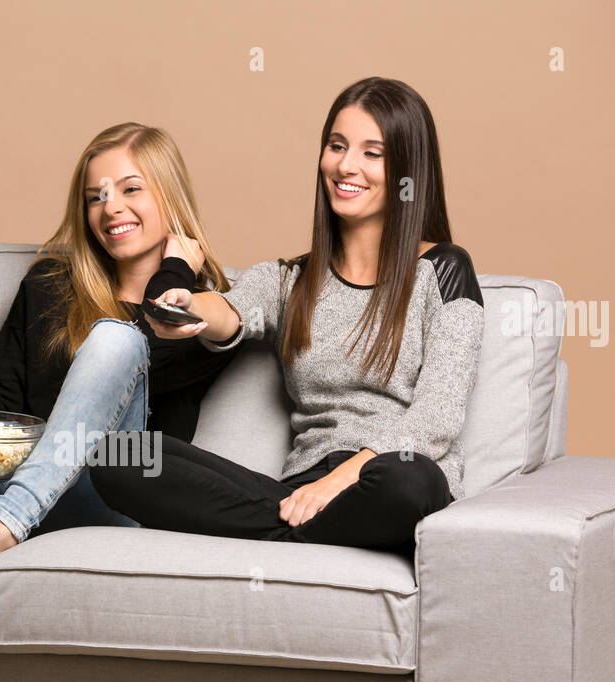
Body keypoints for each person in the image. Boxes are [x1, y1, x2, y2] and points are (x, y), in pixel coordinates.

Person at [0, 122, 240, 682]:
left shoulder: (205, 308)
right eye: (95, 196)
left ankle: (0, 528)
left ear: (169, 195)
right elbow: (2, 397)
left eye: (131, 189)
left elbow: (160, 330)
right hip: (12, 474)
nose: (111, 208)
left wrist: (175, 271)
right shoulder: (53, 283)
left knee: (116, 339)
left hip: (112, 487)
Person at [89, 77, 485, 557]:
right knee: (117, 455)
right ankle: (305, 536)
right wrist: (188, 303)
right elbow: (228, 312)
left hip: (388, 476)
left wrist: (338, 482)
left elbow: (437, 416)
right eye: (336, 146)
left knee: (407, 480)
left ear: (408, 169)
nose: (345, 165)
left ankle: (285, 534)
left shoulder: (444, 270)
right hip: (295, 492)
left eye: (371, 153)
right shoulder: (291, 279)